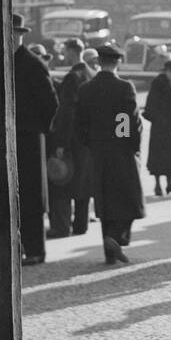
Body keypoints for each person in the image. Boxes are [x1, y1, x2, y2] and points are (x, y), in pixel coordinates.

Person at [75, 44, 144, 264]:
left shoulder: (86, 88)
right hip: (120, 149)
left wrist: (92, 144)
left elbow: (80, 124)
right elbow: (127, 119)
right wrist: (130, 144)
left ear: (99, 62)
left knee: (104, 200)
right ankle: (116, 237)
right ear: (118, 62)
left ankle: (109, 252)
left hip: (97, 150)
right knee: (129, 199)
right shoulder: (124, 87)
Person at [12, 13, 58, 265]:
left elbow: (51, 103)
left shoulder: (32, 63)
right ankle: (19, 247)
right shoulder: (7, 61)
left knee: (30, 196)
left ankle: (36, 250)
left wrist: (37, 129)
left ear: (18, 36)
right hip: (15, 136)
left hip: (29, 137)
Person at [49, 38, 93, 237]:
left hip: (73, 138)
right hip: (88, 139)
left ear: (72, 52)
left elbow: (67, 112)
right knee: (83, 183)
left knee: (65, 182)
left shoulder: (71, 78)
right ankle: (81, 225)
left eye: (65, 50)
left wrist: (61, 142)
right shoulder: (91, 75)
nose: (64, 54)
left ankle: (63, 225)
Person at [144, 55, 171, 196]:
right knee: (158, 157)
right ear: (166, 71)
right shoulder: (157, 84)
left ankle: (169, 185)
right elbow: (151, 106)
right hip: (160, 128)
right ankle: (157, 185)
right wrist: (159, 120)